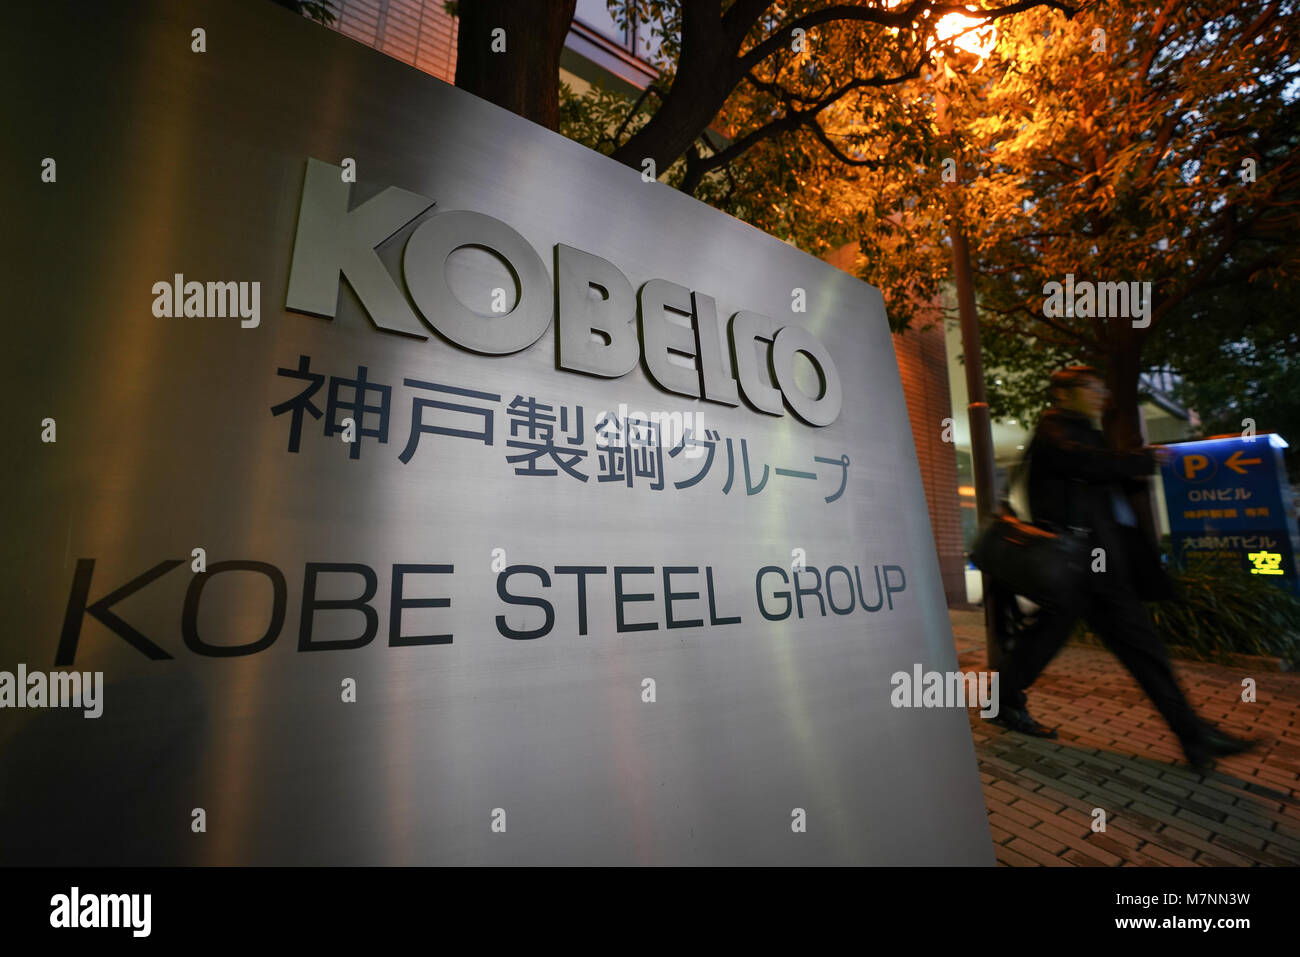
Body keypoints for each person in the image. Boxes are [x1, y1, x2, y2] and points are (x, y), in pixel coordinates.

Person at [992, 366, 1255, 771]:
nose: (1101, 394)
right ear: (1064, 394)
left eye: (1102, 386)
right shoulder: (1055, 428)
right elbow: (1085, 464)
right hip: (1081, 563)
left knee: (1130, 648)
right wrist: (1140, 459)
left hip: (1099, 566)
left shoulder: (1086, 431)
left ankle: (1194, 736)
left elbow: (1100, 485)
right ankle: (1193, 736)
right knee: (1068, 642)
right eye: (1092, 387)